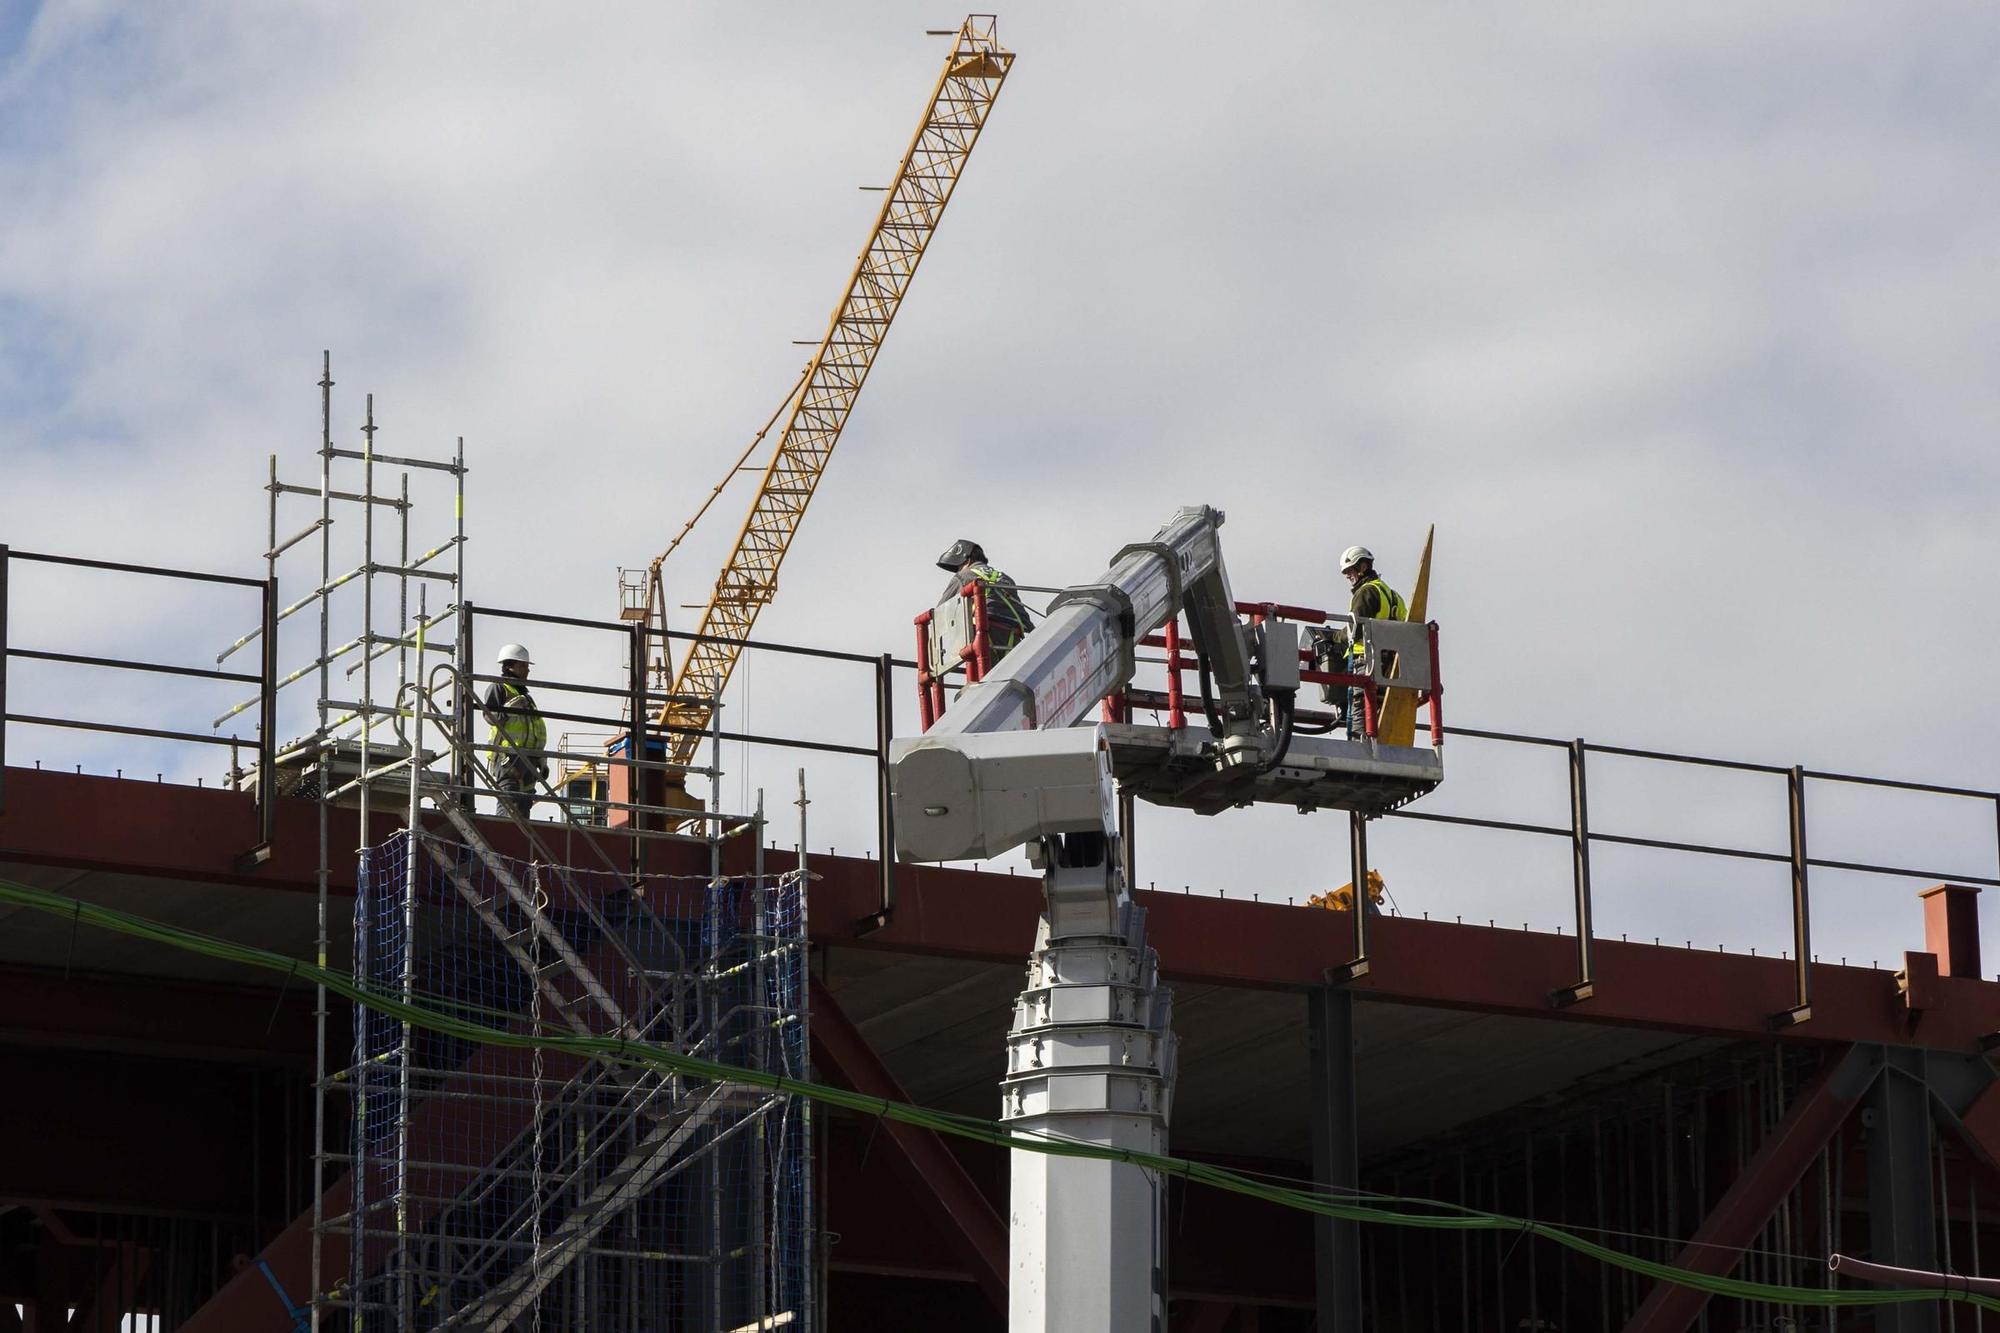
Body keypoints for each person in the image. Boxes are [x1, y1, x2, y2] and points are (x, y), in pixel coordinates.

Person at [1338, 545, 1406, 738]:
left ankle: (1360, 746)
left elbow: (1355, 628)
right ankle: (1376, 743)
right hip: (1390, 666)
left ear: (1363, 567)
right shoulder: (1394, 596)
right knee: (1380, 707)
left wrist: (1334, 638)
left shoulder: (1366, 592)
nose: (1348, 576)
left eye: (1350, 570)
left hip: (1366, 660)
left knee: (1360, 703)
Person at [936, 538, 1032, 667]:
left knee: (986, 677)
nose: (959, 570)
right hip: (1012, 635)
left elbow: (941, 611)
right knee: (1010, 672)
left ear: (967, 560)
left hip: (984, 631)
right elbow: (1024, 617)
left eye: (959, 567)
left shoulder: (964, 575)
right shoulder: (1005, 578)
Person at [482, 642, 547, 820]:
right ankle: (504, 838)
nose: (527, 670)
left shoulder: (526, 697)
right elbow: (489, 717)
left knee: (524, 806)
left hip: (529, 759)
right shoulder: (499, 687)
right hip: (509, 758)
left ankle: (518, 842)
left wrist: (542, 757)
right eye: (523, 665)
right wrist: (509, 709)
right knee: (509, 805)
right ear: (510, 666)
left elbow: (535, 729)